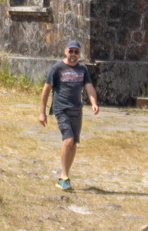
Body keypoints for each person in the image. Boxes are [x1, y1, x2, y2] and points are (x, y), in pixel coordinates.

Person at [37, 39, 99, 191]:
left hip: (76, 110)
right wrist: (42, 112)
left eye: (76, 51)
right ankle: (64, 177)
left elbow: (89, 88)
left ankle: (63, 176)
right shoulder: (57, 68)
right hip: (61, 109)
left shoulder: (82, 69)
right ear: (65, 51)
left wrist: (94, 103)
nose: (73, 54)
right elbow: (46, 90)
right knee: (68, 139)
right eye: (70, 51)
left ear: (79, 54)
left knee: (73, 143)